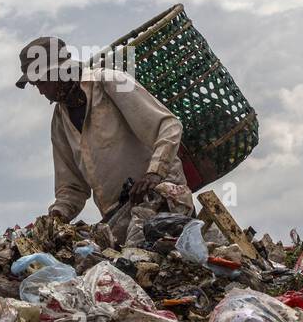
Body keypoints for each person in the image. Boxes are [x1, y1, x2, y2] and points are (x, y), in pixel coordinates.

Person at [16, 35, 191, 241]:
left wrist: (154, 173)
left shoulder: (110, 82)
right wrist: (56, 217)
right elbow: (71, 188)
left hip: (162, 201)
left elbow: (168, 125)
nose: (40, 91)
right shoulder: (60, 119)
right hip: (119, 221)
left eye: (41, 82)